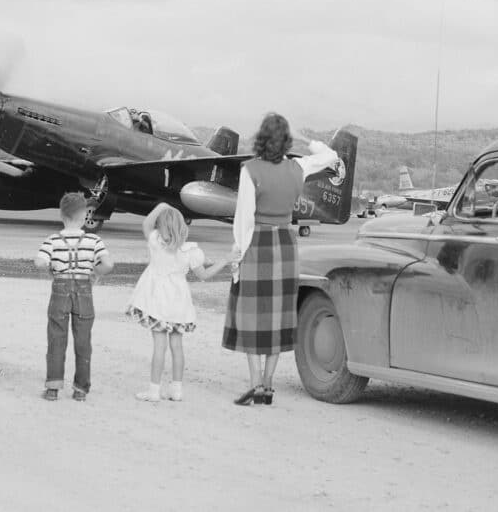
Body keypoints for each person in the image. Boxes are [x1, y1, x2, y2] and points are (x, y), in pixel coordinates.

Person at [223, 113, 339, 406]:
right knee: (277, 317)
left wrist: (237, 257)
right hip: (286, 245)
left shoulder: (249, 169)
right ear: (286, 139)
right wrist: (306, 139)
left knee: (253, 317)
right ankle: (269, 385)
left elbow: (244, 219)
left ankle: (255, 384)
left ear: (261, 138)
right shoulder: (298, 166)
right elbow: (331, 155)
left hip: (257, 244)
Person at [127, 202, 238, 402]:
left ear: (161, 227)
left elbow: (146, 223)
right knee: (177, 346)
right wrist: (226, 260)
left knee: (159, 347)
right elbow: (204, 275)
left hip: (157, 303)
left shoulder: (156, 242)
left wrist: (161, 205)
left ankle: (154, 391)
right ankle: (177, 390)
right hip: (179, 304)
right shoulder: (191, 251)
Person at [35, 192, 114, 402]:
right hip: (84, 290)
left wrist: (51, 267)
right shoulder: (93, 239)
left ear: (62, 215)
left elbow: (39, 262)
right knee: (83, 341)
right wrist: (94, 272)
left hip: (60, 289)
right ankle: (80, 389)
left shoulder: (52, 240)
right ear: (83, 216)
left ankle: (53, 387)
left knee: (56, 339)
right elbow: (108, 264)